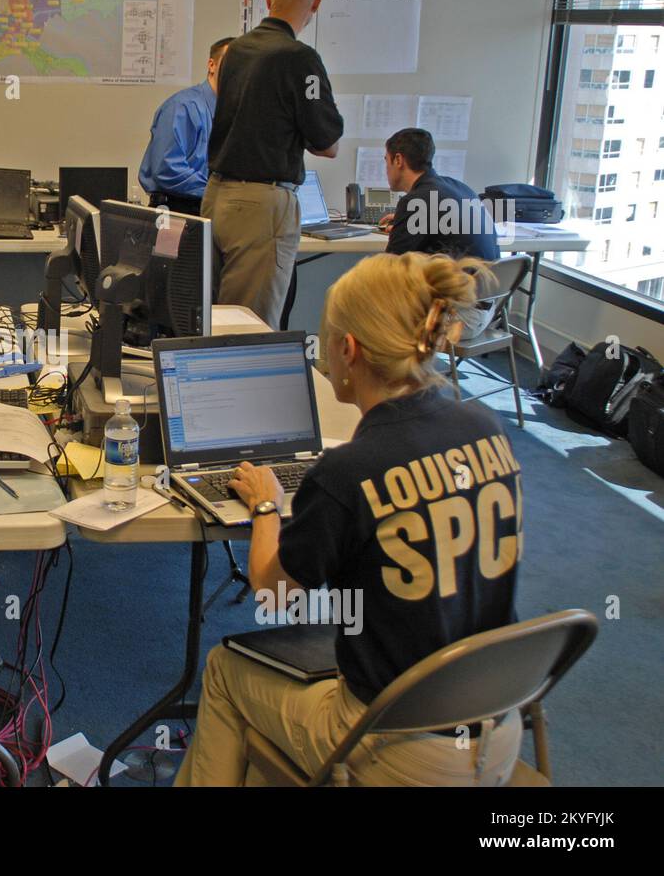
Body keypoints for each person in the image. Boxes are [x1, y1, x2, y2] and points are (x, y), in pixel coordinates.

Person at [175, 252, 524, 787]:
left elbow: (274, 595)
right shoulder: (487, 427)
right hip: (499, 728)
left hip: (398, 748)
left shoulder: (348, 469)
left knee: (227, 669)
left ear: (348, 349)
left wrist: (267, 504)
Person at [202, 0, 343, 329]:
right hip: (262, 206)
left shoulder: (235, 53)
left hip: (216, 197)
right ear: (316, 3)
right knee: (248, 326)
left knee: (211, 316)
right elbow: (327, 143)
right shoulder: (301, 60)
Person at [378, 128, 501, 339]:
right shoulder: (459, 187)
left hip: (457, 316)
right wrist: (402, 223)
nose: (386, 168)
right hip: (487, 309)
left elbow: (391, 268)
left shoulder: (416, 202)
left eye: (386, 160)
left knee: (368, 301)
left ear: (398, 160)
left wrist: (403, 224)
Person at [139, 37, 233, 217]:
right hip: (177, 212)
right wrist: (221, 192)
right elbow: (167, 170)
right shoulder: (183, 107)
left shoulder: (233, 113)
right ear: (211, 65)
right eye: (231, 63)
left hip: (214, 210)